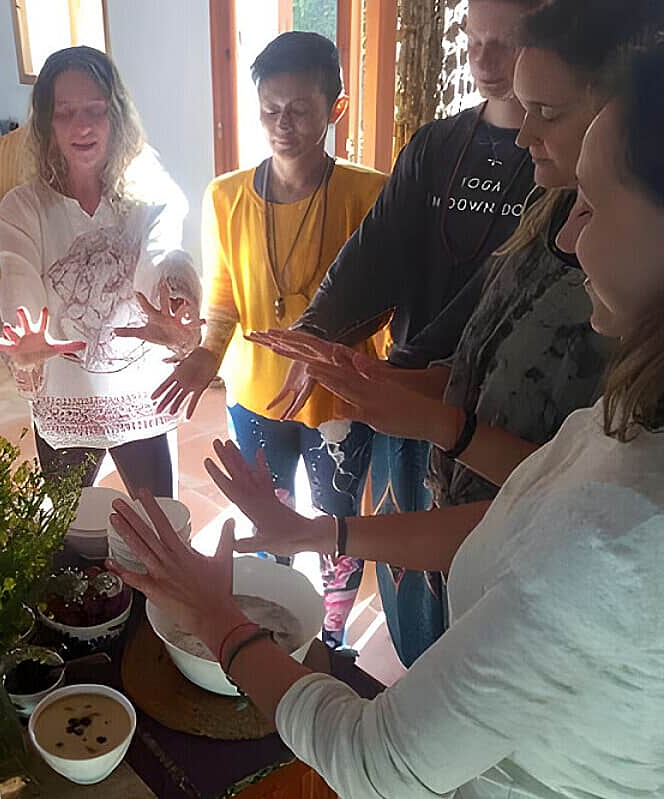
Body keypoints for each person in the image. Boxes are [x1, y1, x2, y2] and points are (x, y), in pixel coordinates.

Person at [108, 36, 664, 796]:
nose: (564, 238)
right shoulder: (628, 417)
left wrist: (219, 621)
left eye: (592, 206)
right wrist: (326, 525)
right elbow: (525, 505)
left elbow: (376, 761)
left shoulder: (615, 542)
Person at [254, 0, 655, 652]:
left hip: (514, 536)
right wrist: (367, 367)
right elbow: (464, 333)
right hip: (438, 438)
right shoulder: (520, 196)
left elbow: (551, 506)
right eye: (474, 40)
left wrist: (408, 395)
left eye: (547, 112)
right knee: (420, 628)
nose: (526, 133)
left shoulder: (622, 291)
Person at [265, 0, 539, 664]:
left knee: (491, 586)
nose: (484, 59)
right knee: (409, 577)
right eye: (473, 40)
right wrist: (317, 333)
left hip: (503, 417)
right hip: (406, 409)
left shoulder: (562, 162)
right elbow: (372, 256)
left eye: (505, 42)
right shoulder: (434, 148)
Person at [154, 32, 387, 648]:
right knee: (269, 514)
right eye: (269, 109)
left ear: (334, 109)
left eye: (300, 109)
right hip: (255, 395)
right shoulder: (225, 196)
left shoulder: (370, 195)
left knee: (337, 527)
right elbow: (224, 296)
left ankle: (331, 637)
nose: (283, 124)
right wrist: (205, 354)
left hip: (342, 398)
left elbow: (387, 302)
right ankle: (278, 623)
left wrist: (338, 359)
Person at [0, 46, 201, 498]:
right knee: (67, 539)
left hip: (138, 392)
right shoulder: (23, 208)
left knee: (158, 527)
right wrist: (24, 332)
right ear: (46, 125)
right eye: (64, 113)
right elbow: (18, 277)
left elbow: (163, 259)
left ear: (116, 116)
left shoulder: (150, 195)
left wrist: (176, 298)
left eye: (95, 110)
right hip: (66, 391)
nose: (81, 126)